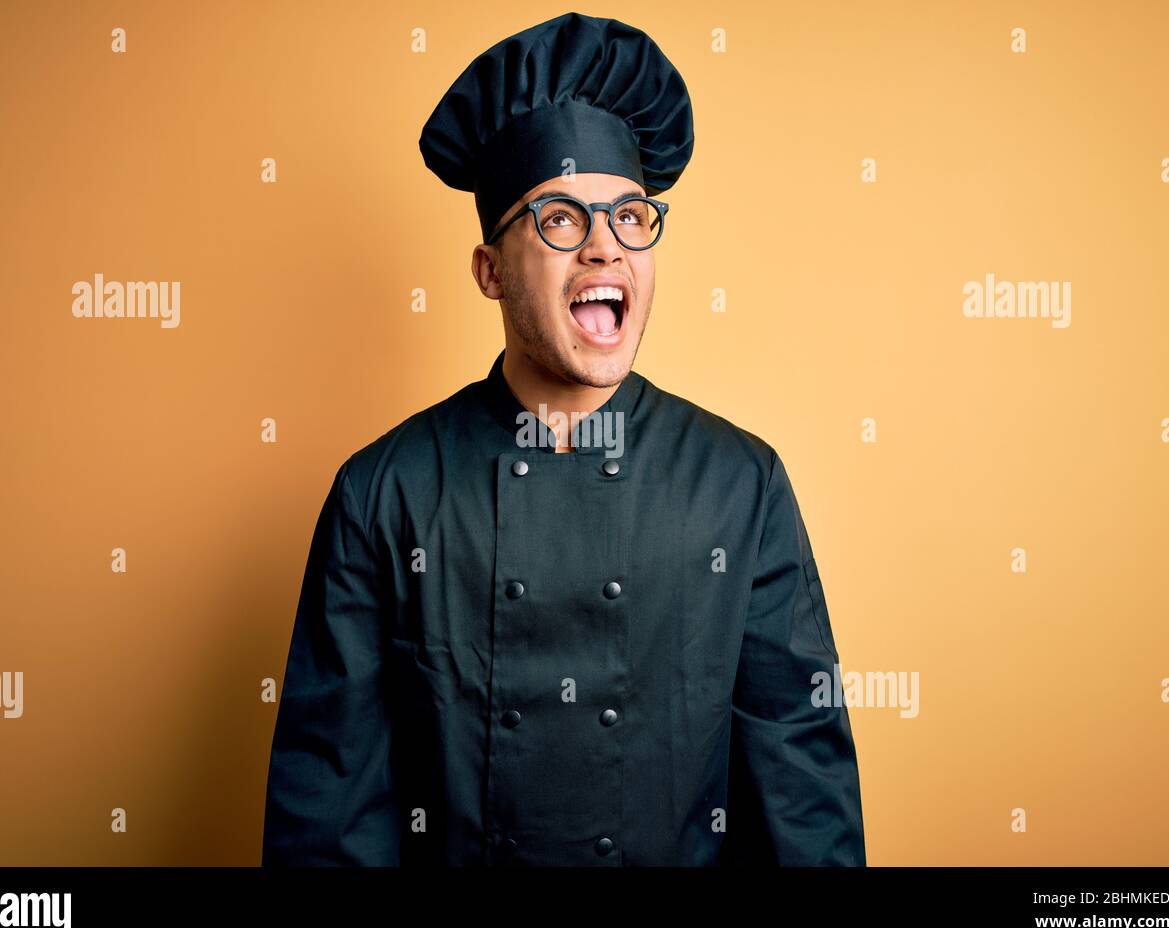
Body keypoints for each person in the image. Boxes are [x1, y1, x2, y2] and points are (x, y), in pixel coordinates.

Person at [261, 11, 866, 867]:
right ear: (490, 270)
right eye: (559, 221)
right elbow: (327, 816)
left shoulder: (741, 483)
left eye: (630, 218)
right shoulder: (383, 493)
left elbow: (803, 793)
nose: (604, 251)